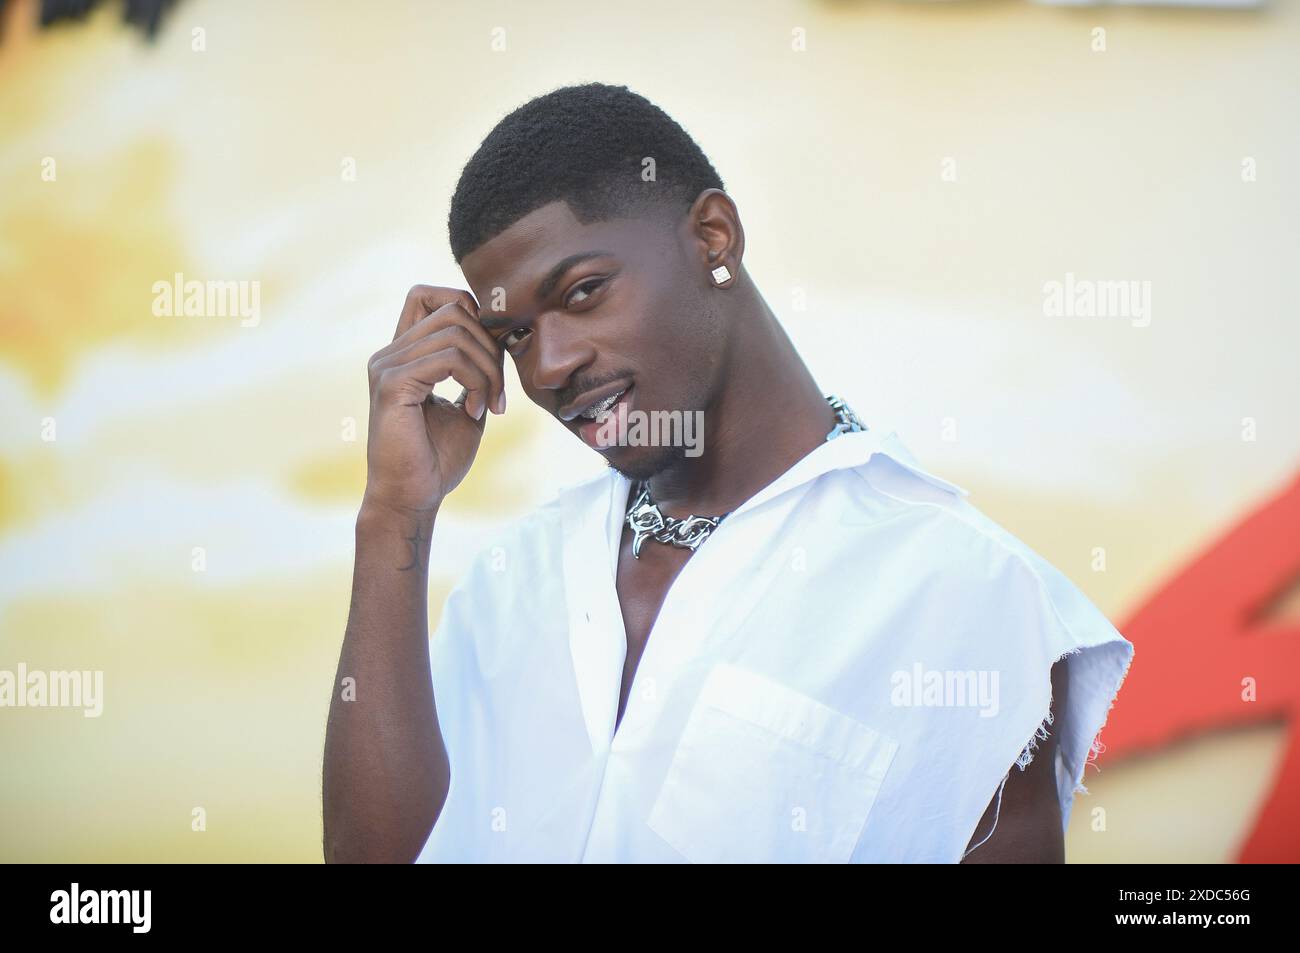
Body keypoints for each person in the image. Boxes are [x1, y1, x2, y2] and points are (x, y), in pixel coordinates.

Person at [321, 82, 1134, 864]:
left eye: (583, 292)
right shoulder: (512, 581)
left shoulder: (962, 590)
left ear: (714, 237)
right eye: (515, 336)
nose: (552, 365)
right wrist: (395, 514)